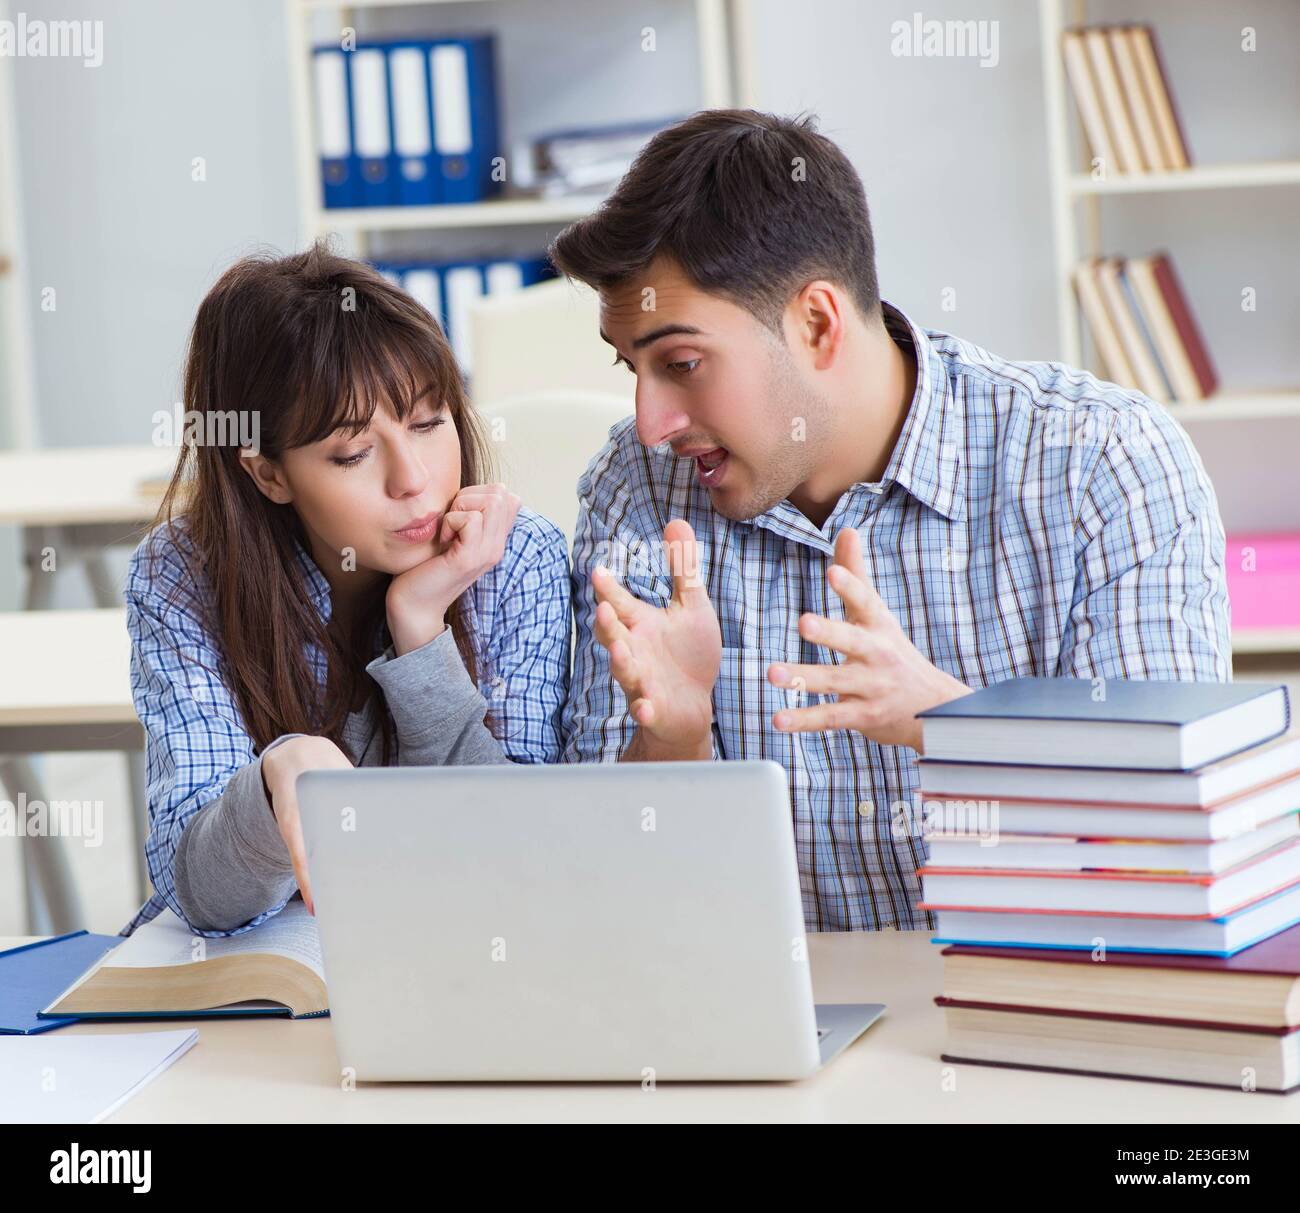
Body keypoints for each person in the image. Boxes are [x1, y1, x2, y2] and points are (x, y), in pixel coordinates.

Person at [553, 109, 1230, 933]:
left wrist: (945, 723)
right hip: (771, 1038)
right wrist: (677, 743)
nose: (650, 420)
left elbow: (1167, 843)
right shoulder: (640, 489)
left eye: (681, 364)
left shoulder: (1099, 464)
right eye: (633, 368)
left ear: (817, 324)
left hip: (1035, 1012)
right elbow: (603, 895)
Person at [122, 244, 570, 937]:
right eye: (353, 453)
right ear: (268, 473)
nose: (413, 478)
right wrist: (278, 781)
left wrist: (420, 627)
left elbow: (514, 854)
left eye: (429, 422)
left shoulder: (515, 558)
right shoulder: (184, 573)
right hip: (268, 996)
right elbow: (202, 893)